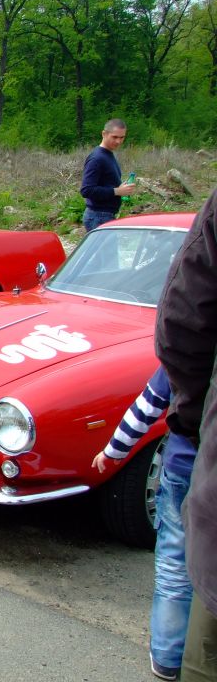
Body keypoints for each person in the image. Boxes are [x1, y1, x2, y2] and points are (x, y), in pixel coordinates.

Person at [91, 366, 196, 680]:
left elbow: (148, 404)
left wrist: (113, 452)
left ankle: (167, 656)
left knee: (174, 564)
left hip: (184, 465)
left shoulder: (188, 345)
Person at [154, 185, 217, 682]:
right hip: (190, 462)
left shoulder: (176, 362)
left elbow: (182, 331)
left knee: (173, 569)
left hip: (189, 459)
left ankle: (167, 658)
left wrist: (194, 423)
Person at [80, 118, 136, 232]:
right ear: (104, 134)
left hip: (105, 215)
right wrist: (116, 191)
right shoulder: (97, 158)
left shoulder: (108, 155)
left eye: (122, 137)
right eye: (115, 137)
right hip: (98, 216)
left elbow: (106, 183)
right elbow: (86, 190)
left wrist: (121, 188)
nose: (118, 141)